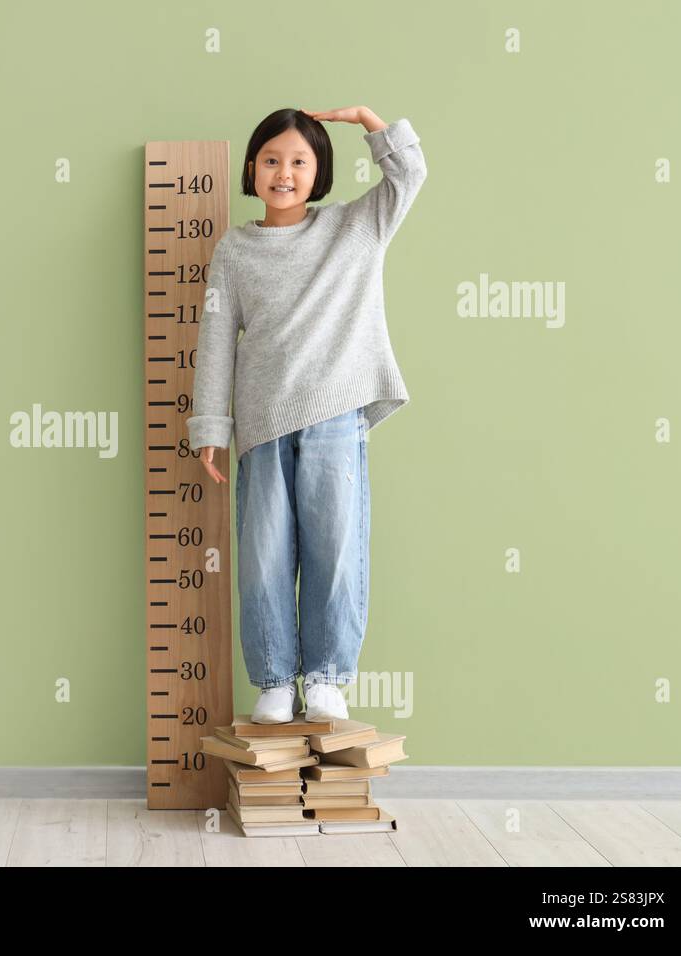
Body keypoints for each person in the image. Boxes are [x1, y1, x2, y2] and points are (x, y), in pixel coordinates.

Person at [186, 106, 427, 724]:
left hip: (335, 418)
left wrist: (366, 120)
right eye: (271, 160)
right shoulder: (234, 250)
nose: (284, 173)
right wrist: (210, 426)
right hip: (261, 423)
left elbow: (410, 174)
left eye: (299, 161)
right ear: (252, 168)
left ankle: (325, 678)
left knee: (335, 549)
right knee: (262, 554)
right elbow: (215, 339)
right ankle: (273, 680)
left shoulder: (355, 227)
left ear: (319, 172)